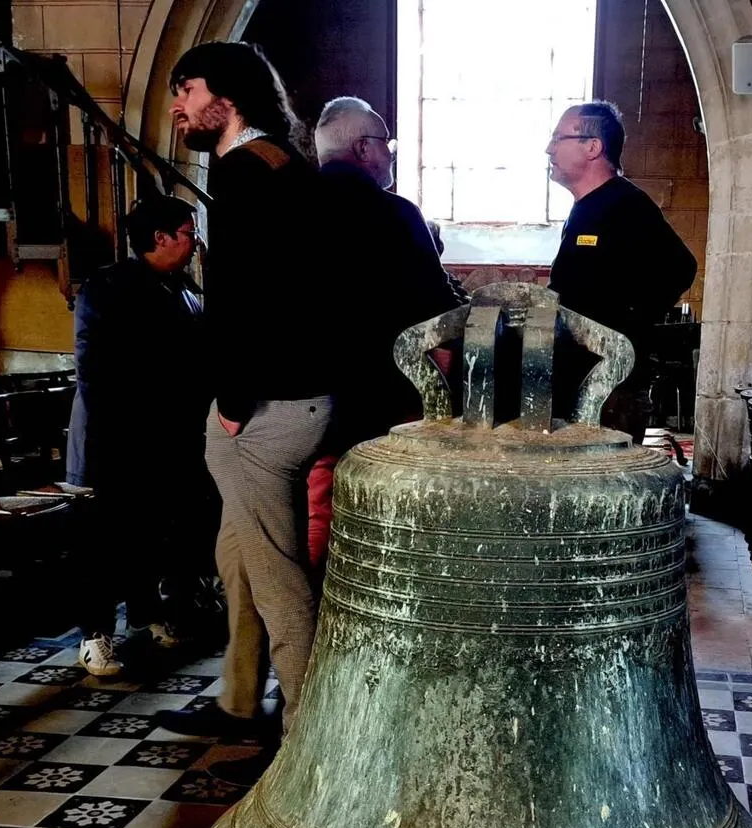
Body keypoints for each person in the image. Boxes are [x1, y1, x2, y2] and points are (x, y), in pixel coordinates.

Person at [156, 42, 333, 783]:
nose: (177, 107)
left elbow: (246, 303)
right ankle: (237, 698)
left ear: (226, 96)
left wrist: (230, 406)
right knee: (239, 556)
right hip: (295, 398)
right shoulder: (280, 165)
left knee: (277, 577)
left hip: (265, 410)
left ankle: (307, 742)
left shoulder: (240, 171)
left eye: (186, 90)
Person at [67, 195, 206, 677]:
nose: (194, 242)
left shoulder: (181, 290)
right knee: (106, 538)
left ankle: (146, 615)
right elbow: (95, 370)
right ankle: (95, 635)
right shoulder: (107, 288)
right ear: (160, 238)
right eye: (187, 233)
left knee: (152, 533)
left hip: (164, 438)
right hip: (116, 438)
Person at [313, 96, 463, 446]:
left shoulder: (283, 209)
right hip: (386, 397)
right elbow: (438, 310)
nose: (391, 152)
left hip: (304, 395)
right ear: (363, 148)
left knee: (319, 495)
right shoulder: (397, 214)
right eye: (386, 142)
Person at [546, 100, 697, 443]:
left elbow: (681, 267)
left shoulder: (626, 204)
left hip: (612, 382)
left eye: (559, 138)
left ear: (593, 147)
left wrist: (628, 320)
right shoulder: (585, 208)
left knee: (606, 485)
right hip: (579, 373)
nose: (549, 148)